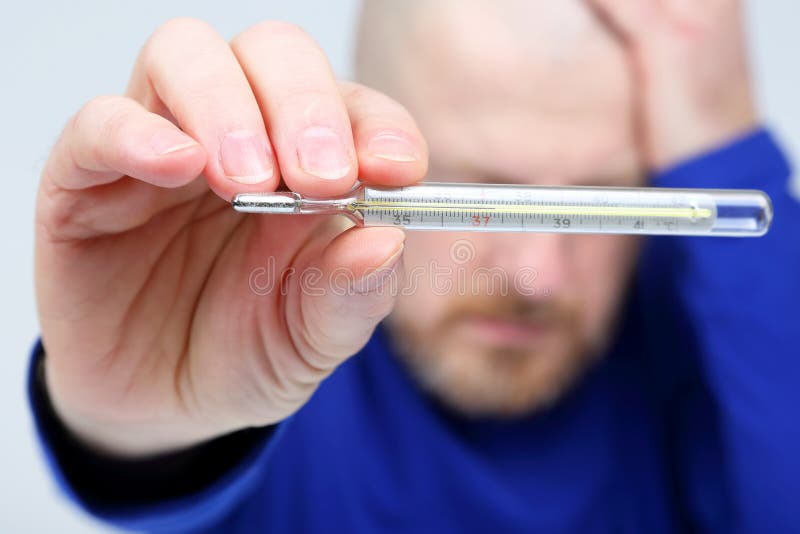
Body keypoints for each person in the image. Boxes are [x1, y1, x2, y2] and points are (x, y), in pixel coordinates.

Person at [29, 0, 799, 531]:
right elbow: (163, 457)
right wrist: (133, 431)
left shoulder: (712, 350)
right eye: (483, 198)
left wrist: (725, 142)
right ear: (364, 149)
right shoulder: (258, 339)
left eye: (607, 204)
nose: (537, 277)